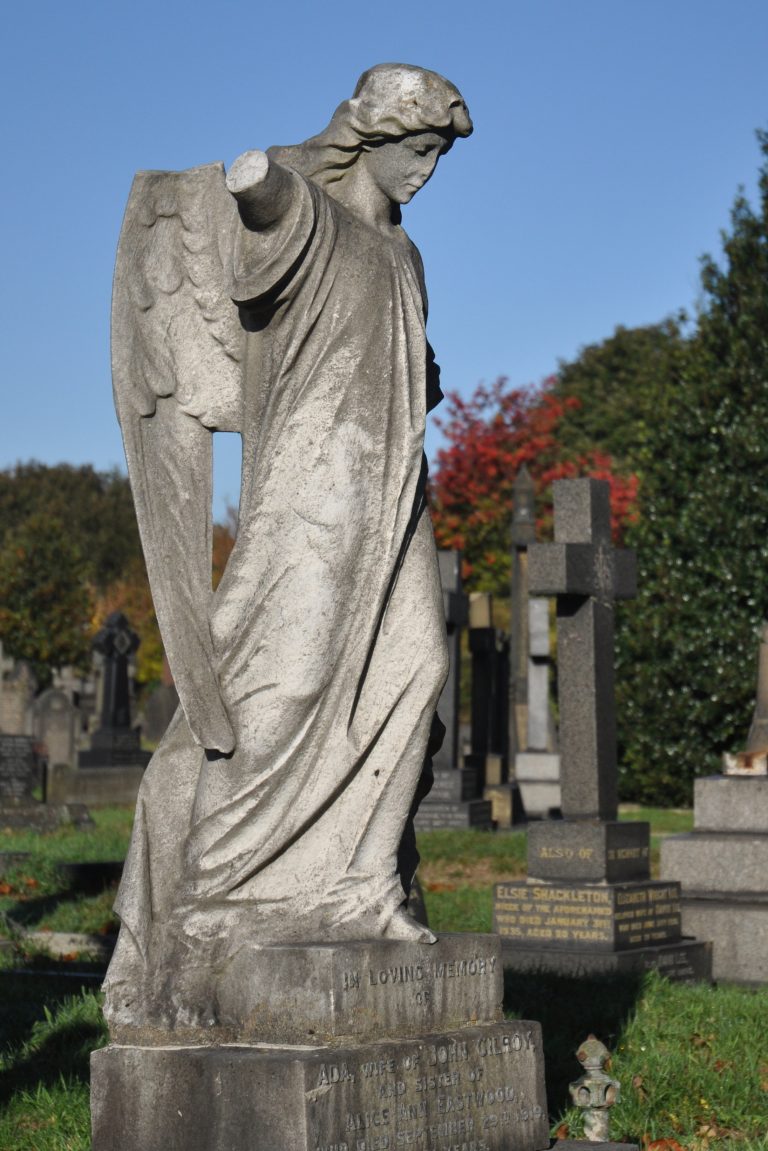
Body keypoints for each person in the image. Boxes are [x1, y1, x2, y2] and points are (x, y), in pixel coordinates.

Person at [105, 64, 472, 1027]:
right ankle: (210, 913)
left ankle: (361, 889)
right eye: (419, 148)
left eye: (440, 155)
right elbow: (261, 201)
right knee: (286, 690)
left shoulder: (407, 258)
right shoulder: (311, 220)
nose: (428, 170)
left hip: (393, 494)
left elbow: (407, 374)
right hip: (308, 505)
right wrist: (259, 182)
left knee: (418, 674)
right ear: (372, 135)